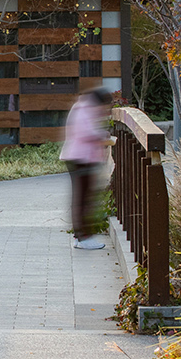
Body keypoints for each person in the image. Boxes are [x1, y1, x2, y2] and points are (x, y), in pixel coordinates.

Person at [60, 87, 114, 250]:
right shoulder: (84, 109)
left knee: (82, 198)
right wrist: (102, 135)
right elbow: (84, 132)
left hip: (80, 158)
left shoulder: (82, 107)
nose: (105, 110)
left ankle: (81, 236)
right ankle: (84, 238)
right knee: (83, 199)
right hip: (80, 158)